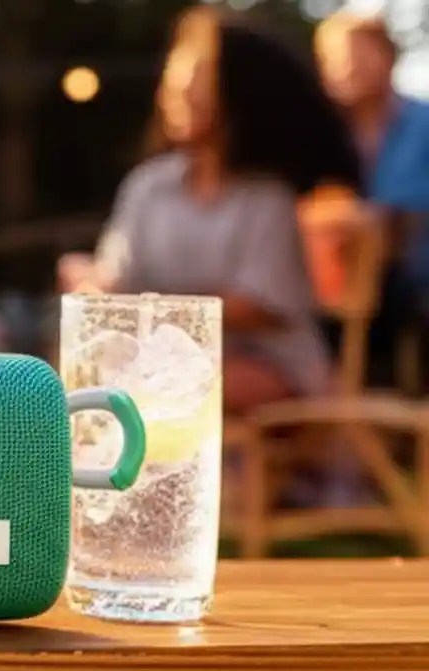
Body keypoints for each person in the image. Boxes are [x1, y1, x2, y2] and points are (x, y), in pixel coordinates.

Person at [60, 7, 363, 415]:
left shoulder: (267, 197)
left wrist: (140, 305)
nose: (181, 86)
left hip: (265, 365)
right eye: (177, 73)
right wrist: (92, 286)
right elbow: (114, 278)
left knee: (164, 387)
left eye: (199, 74)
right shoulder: (147, 186)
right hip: (156, 363)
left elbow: (258, 307)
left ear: (237, 91)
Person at [315, 12, 429, 382]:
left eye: (359, 55)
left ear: (388, 57)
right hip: (333, 278)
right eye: (334, 58)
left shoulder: (422, 123)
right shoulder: (322, 136)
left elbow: (409, 212)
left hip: (412, 277)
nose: (347, 67)